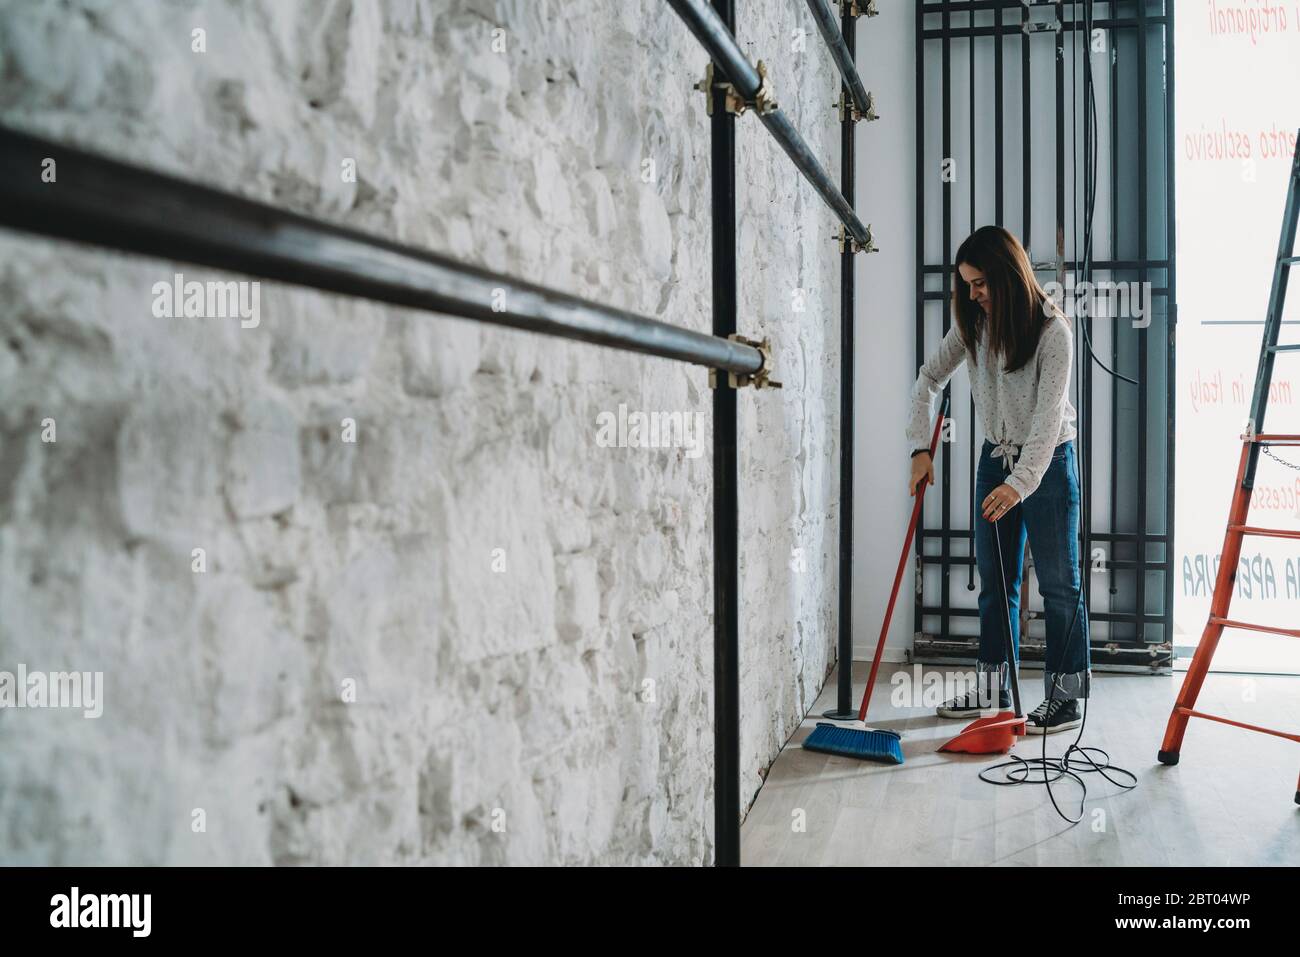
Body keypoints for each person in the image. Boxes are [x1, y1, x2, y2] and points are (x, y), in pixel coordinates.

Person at [906, 225, 1089, 734]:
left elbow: (1048, 421)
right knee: (996, 584)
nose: (973, 294)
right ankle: (994, 691)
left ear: (1009, 277)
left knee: (1059, 584)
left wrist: (1020, 483)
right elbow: (929, 378)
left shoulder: (1055, 332)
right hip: (995, 460)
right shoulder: (973, 326)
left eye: (981, 283)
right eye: (966, 284)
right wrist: (921, 447)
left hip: (1049, 463)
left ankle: (1065, 697)